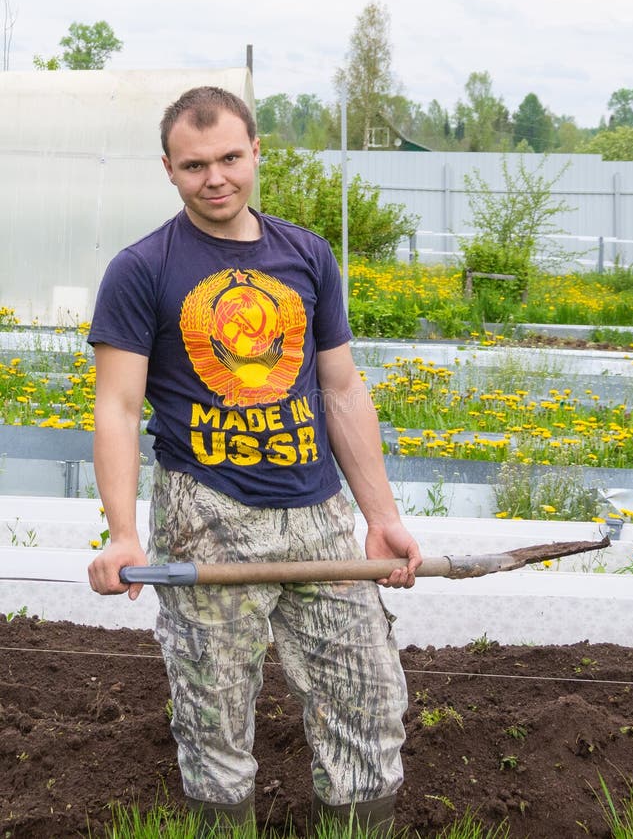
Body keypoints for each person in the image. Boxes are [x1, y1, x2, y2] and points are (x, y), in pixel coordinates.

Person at [87, 86, 422, 835]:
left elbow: (339, 386)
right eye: (196, 164)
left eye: (230, 158)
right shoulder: (142, 268)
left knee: (367, 700)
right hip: (208, 513)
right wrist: (121, 534)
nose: (216, 178)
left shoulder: (305, 254)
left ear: (256, 151)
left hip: (320, 516)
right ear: (169, 169)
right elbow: (116, 407)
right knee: (215, 725)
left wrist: (382, 519)